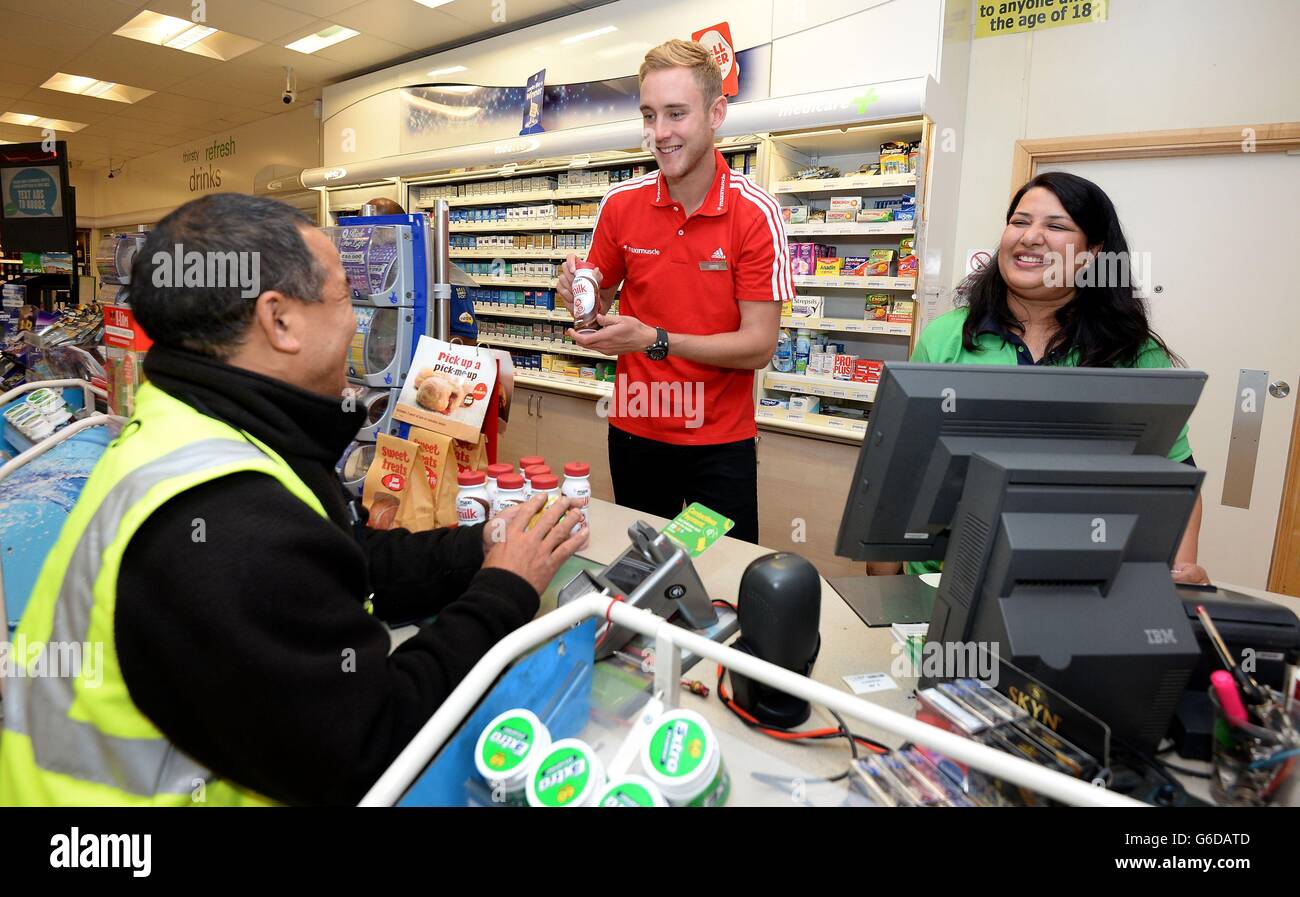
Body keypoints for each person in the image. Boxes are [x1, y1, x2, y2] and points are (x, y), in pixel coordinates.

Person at [0, 193, 587, 806]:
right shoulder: (224, 520)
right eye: (344, 298)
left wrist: (482, 546)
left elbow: (343, 561)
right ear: (278, 321)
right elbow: (374, 746)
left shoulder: (198, 434)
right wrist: (504, 591)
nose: (358, 322)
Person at [870, 171, 1208, 584]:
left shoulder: (1135, 355)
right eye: (1019, 221)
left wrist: (1178, 578)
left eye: (1057, 226)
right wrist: (885, 585)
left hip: (1079, 579)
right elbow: (904, 468)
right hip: (943, 580)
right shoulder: (947, 337)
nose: (1031, 237)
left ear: (1094, 252)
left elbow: (1174, 477)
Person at [555, 39, 792, 544]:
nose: (659, 134)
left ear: (716, 113)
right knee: (644, 577)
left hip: (719, 444)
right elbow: (594, 307)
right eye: (649, 115)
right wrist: (580, 295)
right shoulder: (621, 204)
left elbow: (759, 345)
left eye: (676, 114)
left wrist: (656, 340)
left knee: (723, 581)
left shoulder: (755, 214)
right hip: (636, 431)